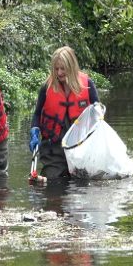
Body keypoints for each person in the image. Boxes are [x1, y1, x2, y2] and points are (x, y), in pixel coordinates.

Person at [27, 46, 99, 180]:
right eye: (56, 69)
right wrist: (34, 131)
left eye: (63, 68)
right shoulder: (46, 87)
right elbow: (37, 114)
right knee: (53, 184)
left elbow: (98, 115)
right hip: (53, 148)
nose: (59, 73)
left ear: (71, 67)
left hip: (81, 147)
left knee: (82, 186)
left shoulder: (87, 84)